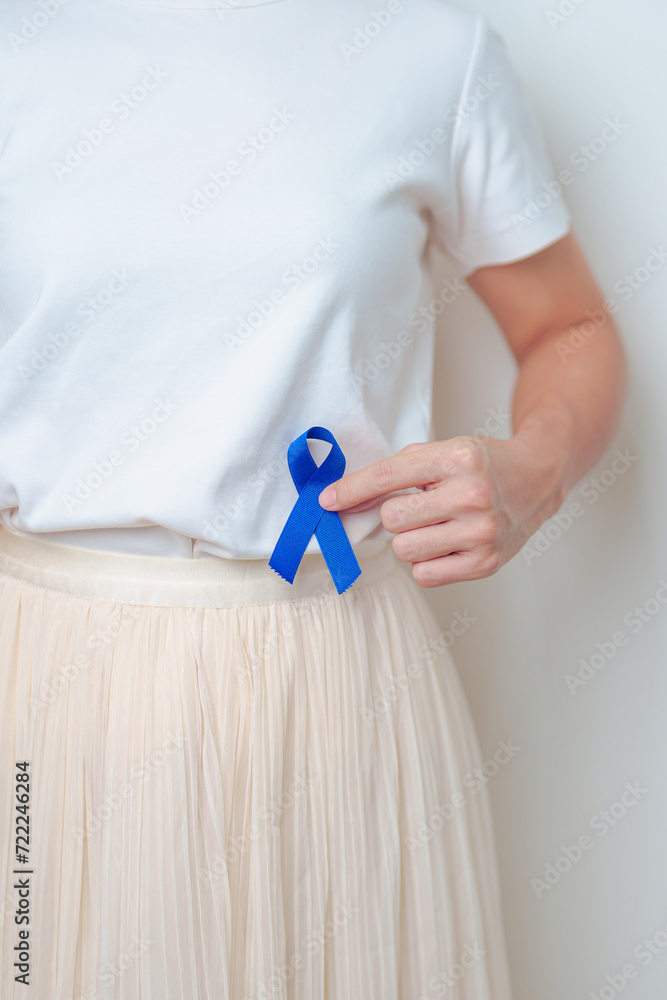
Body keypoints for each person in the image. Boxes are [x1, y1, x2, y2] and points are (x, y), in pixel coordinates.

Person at [0, 0, 625, 997]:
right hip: (45, 687)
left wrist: (529, 472)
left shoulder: (431, 50)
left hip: (339, 669)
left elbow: (571, 326)